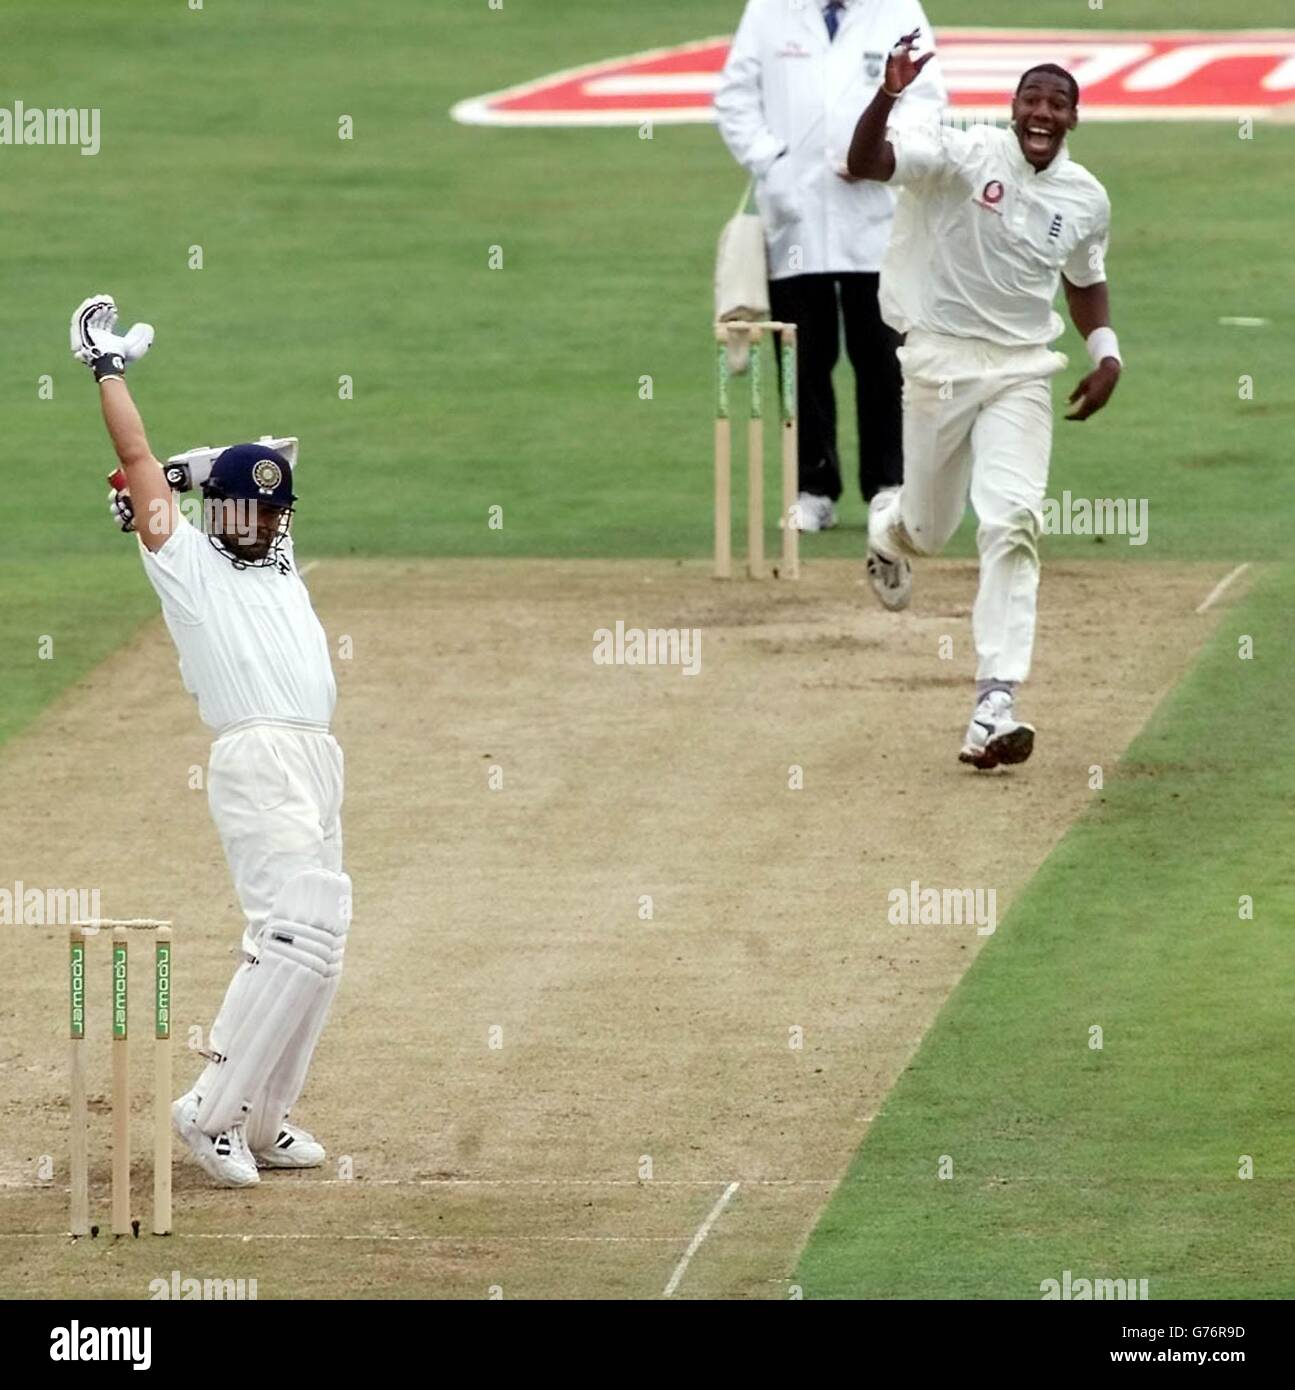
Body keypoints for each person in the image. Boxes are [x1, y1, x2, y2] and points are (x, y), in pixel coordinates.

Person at [71, 293, 351, 1185]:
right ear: (214, 514)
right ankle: (208, 1111)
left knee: (325, 940)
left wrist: (216, 476)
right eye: (245, 511)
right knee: (289, 937)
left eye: (272, 513)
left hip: (317, 758)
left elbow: (276, 462)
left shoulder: (274, 550)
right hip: (255, 757)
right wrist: (106, 368)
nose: (262, 524)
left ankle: (265, 1118)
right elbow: (136, 459)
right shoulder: (184, 560)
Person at [846, 43, 1123, 769]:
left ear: (1072, 119)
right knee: (929, 531)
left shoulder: (1085, 197)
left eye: (1055, 103)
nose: (1041, 112)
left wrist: (1105, 353)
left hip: (1021, 371)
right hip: (939, 359)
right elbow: (868, 162)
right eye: (1030, 99)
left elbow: (1082, 278)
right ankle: (887, 528)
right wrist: (886, 97)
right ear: (1012, 109)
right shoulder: (963, 157)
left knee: (1012, 520)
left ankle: (993, 702)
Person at [715, 0, 945, 532]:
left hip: (877, 213)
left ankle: (889, 485)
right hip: (795, 214)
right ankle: (813, 488)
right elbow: (735, 96)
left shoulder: (896, 9)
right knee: (802, 356)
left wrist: (885, 150)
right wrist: (772, 162)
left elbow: (926, 97)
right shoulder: (769, 11)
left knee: (882, 356)